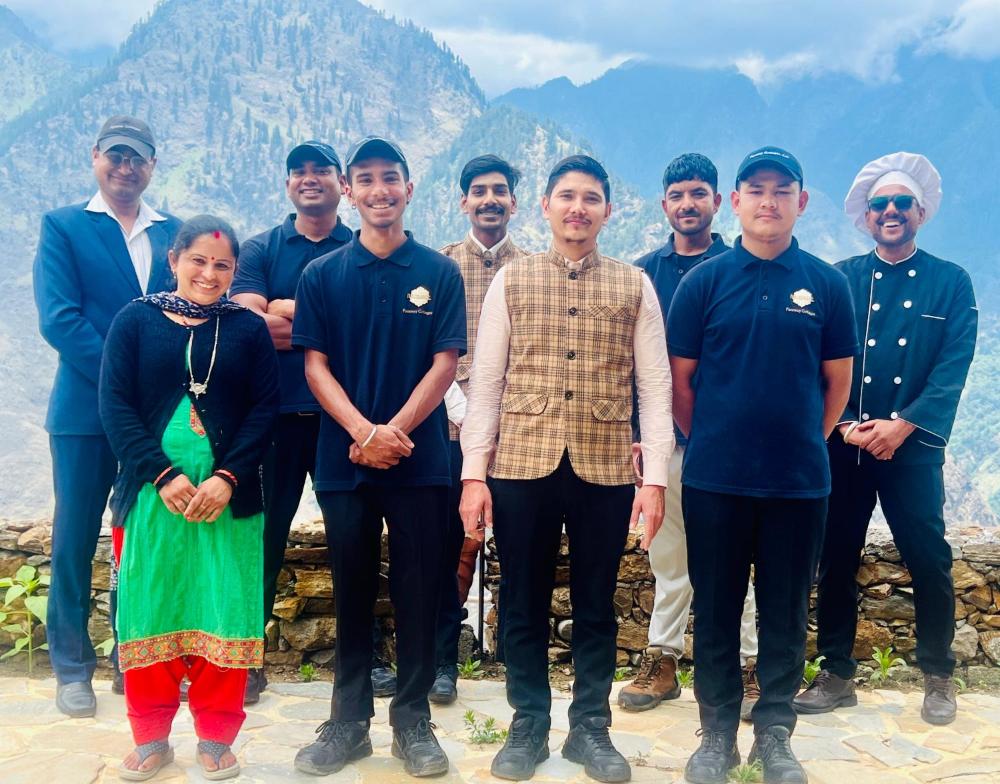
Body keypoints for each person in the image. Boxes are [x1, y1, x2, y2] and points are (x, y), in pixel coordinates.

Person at [461, 154, 674, 783]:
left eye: (591, 198)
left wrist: (655, 479)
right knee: (521, 601)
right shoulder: (513, 280)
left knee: (596, 603)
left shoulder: (634, 284)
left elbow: (654, 387)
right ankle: (527, 724)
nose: (578, 208)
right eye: (567, 196)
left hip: (604, 468)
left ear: (607, 210)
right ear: (546, 206)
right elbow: (488, 383)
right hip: (522, 463)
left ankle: (590, 729)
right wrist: (474, 475)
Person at [667, 148, 856, 784]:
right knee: (716, 610)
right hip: (714, 481)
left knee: (784, 613)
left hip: (798, 484)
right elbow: (682, 383)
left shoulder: (827, 284)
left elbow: (836, 385)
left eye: (781, 190)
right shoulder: (704, 283)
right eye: (755, 189)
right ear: (736, 201)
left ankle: (774, 734)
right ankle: (717, 734)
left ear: (801, 201)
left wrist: (803, 440)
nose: (768, 201)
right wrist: (712, 441)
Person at [291, 137, 466, 778]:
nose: (378, 190)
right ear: (349, 190)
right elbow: (314, 366)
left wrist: (393, 430)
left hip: (420, 462)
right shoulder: (322, 275)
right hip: (343, 462)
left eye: (389, 177)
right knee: (352, 589)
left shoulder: (439, 272)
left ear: (408, 188)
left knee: (420, 589)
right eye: (364, 179)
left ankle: (413, 723)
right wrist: (363, 431)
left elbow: (445, 363)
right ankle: (348, 723)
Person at [793, 152, 977, 726]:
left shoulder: (951, 282)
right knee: (836, 556)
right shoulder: (839, 279)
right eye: (881, 204)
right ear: (866, 215)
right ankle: (836, 672)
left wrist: (902, 425)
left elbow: (952, 366)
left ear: (920, 212)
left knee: (929, 557)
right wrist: (847, 425)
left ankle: (938, 674)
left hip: (912, 446)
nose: (891, 211)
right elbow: (815, 359)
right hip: (845, 443)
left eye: (902, 203)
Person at [99, 215, 279, 780]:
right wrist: (161, 474)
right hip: (153, 498)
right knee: (151, 607)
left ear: (234, 271)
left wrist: (227, 477)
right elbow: (114, 405)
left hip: (228, 501)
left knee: (223, 608)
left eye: (222, 264)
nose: (209, 273)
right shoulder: (135, 320)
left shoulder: (246, 330)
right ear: (174, 259)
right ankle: (151, 737)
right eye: (198, 260)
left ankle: (216, 736)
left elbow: (264, 410)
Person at [231, 140, 395, 703]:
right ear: (287, 184)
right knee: (263, 541)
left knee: (355, 541)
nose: (309, 178)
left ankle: (365, 659)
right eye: (298, 170)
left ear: (340, 184)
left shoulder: (361, 246)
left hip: (343, 422)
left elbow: (369, 326)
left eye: (321, 169)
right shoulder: (260, 249)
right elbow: (249, 328)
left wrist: (285, 308)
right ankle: (245, 661)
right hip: (272, 419)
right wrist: (322, 319)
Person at [32, 115, 182, 717]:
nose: (126, 166)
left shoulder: (173, 233)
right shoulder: (65, 226)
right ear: (95, 157)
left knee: (141, 537)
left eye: (137, 157)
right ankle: (72, 668)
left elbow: (184, 312)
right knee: (74, 536)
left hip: (155, 419)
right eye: (116, 155)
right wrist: (125, 382)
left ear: (152, 165)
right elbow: (59, 319)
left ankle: (134, 656)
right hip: (85, 412)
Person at [619, 153, 760, 719]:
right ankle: (662, 659)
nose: (687, 204)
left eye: (698, 193)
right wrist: (637, 436)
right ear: (664, 205)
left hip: (727, 444)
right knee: (667, 555)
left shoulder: (740, 267)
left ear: (717, 201)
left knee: (736, 558)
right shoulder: (642, 274)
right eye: (677, 195)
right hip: (663, 446)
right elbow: (627, 364)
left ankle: (747, 665)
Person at [432, 154, 530, 703]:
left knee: (519, 549)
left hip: (521, 437)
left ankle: (518, 660)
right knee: (450, 547)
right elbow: (428, 350)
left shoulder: (534, 269)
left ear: (514, 201)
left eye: (499, 190)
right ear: (464, 201)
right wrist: (464, 412)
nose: (489, 199)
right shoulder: (441, 266)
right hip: (450, 430)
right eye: (479, 191)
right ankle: (442, 662)